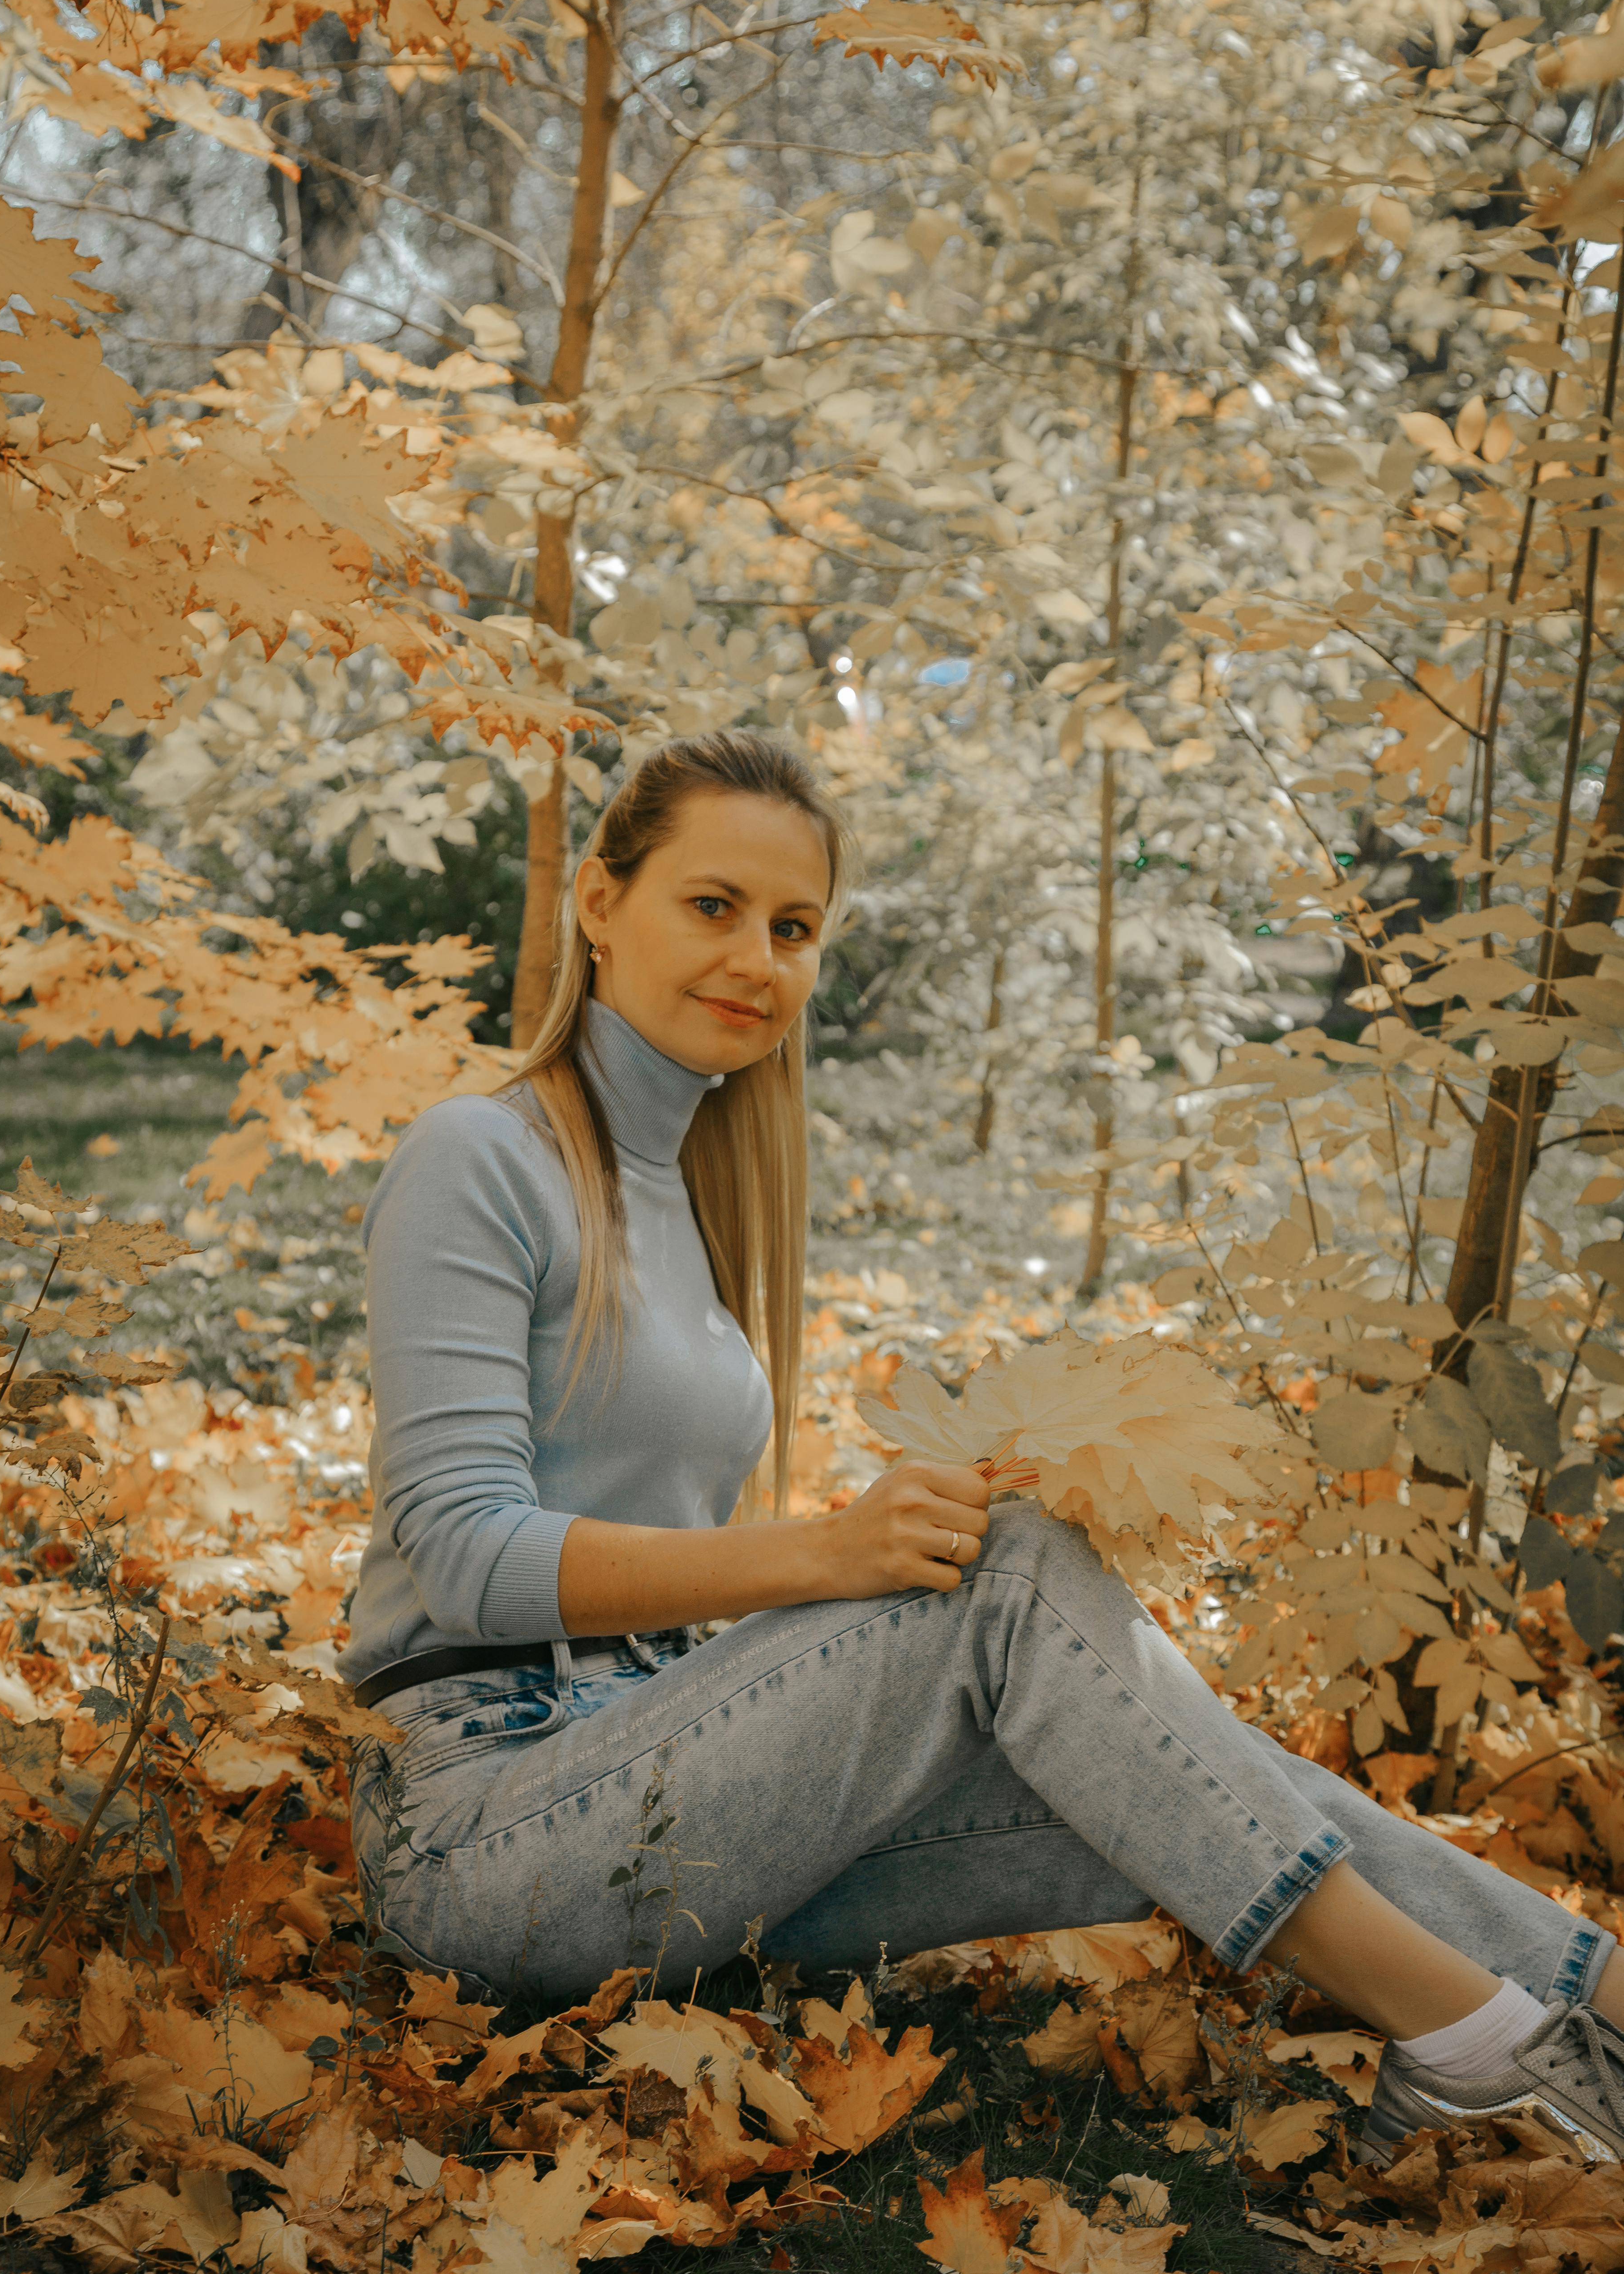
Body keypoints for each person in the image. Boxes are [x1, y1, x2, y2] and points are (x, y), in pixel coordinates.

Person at [345, 730, 1624, 2166]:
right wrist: (835, 1553)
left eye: (794, 927)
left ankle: (1593, 2006)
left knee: (1184, 1776)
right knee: (1011, 1575)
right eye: (712, 906)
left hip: (657, 1785)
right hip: (483, 1830)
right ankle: (1471, 2045)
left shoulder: (693, 1201)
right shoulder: (482, 1156)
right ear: (597, 902)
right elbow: (462, 1557)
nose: (757, 958)